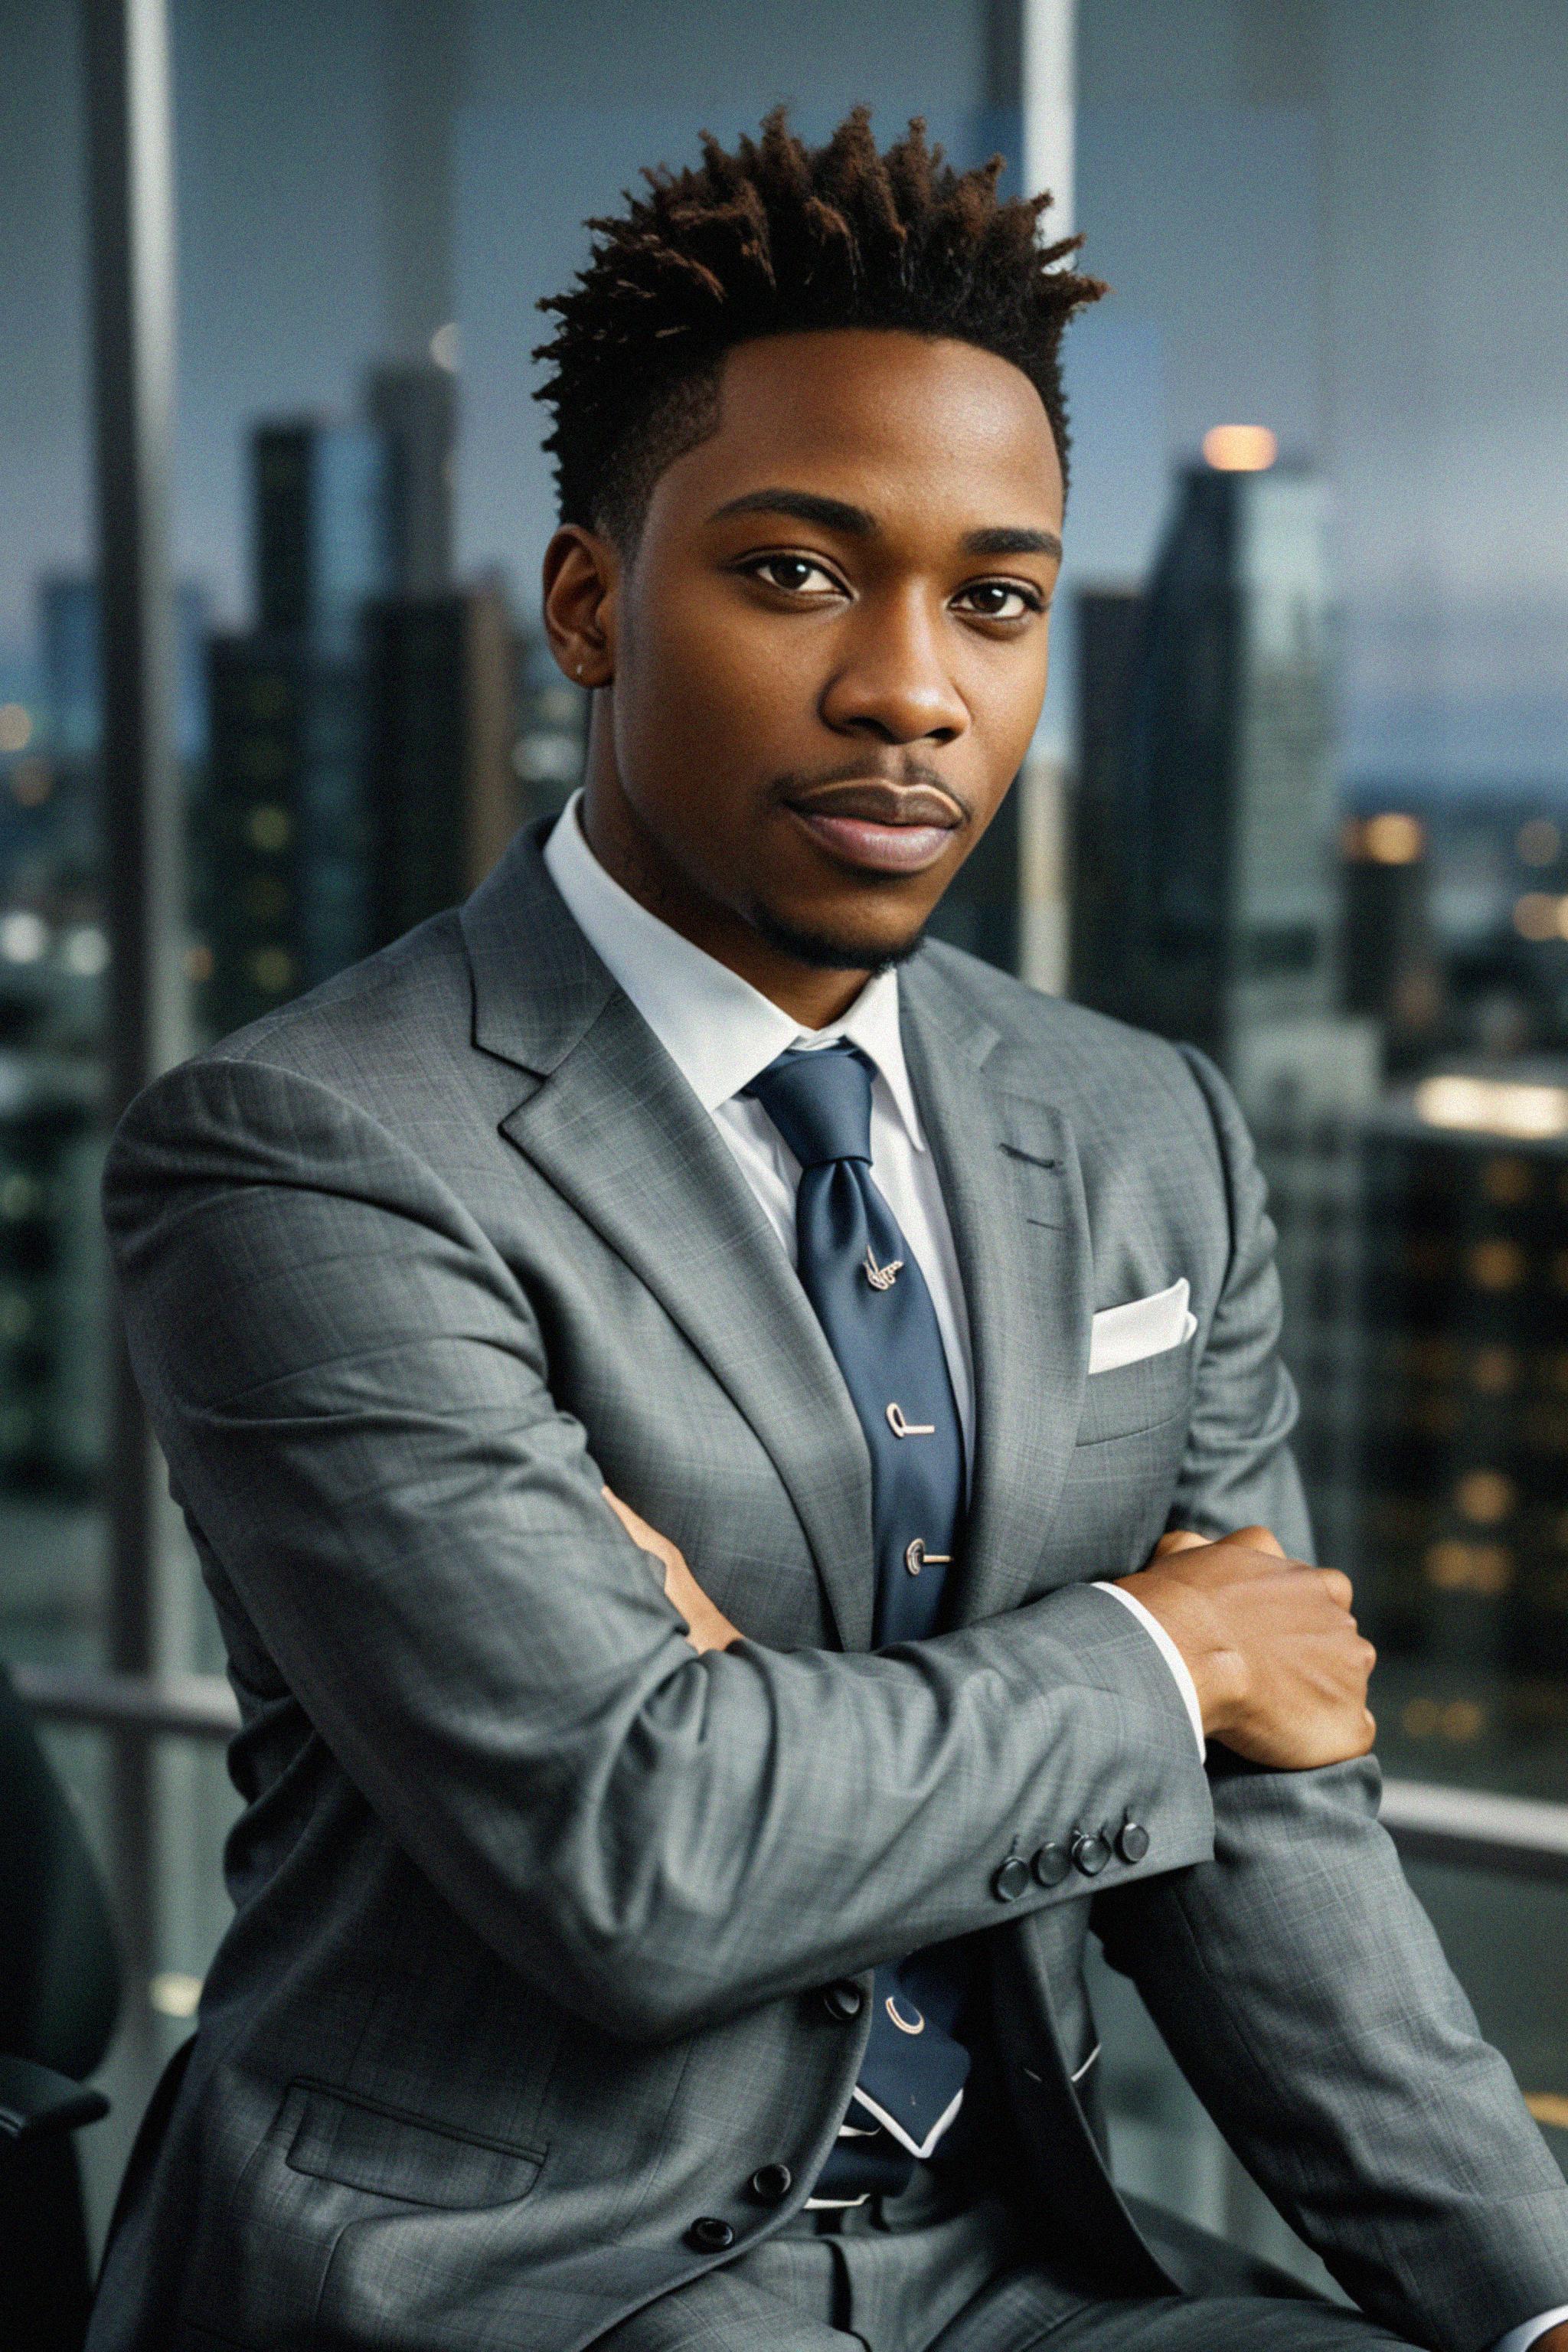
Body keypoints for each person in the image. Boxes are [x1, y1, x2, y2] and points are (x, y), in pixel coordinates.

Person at [89, 110, 1568, 2352]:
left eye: (997, 597)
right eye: (794, 574)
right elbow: (639, 1860)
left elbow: (1271, 1841)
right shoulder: (311, 1148)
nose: (914, 687)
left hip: (1013, 2266)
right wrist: (1164, 1660)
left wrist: (1531, 2308)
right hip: (502, 2286)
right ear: (591, 601)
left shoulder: (1143, 1126)